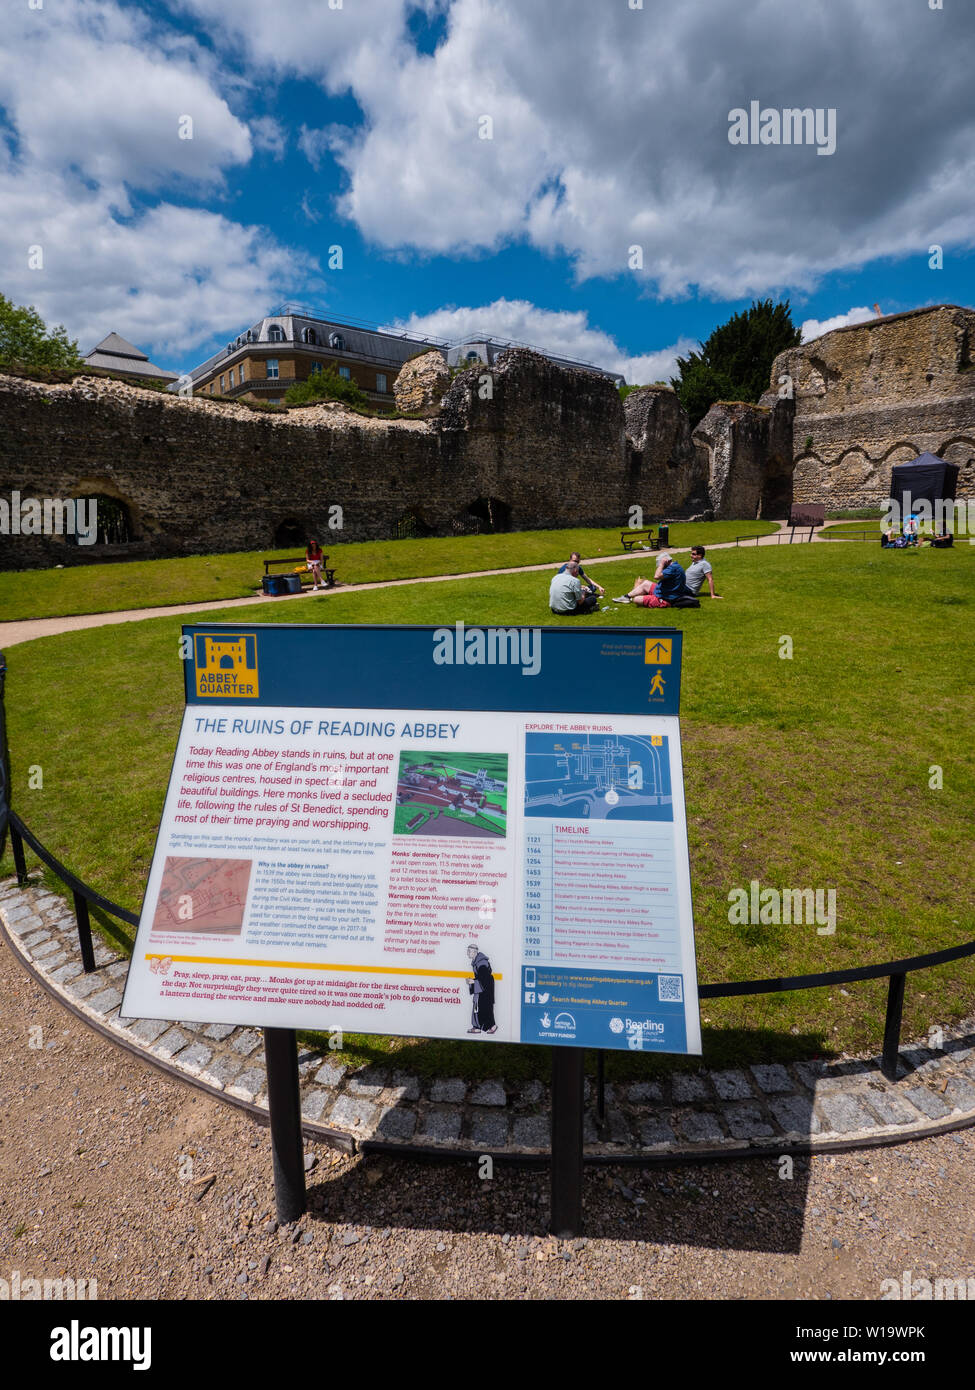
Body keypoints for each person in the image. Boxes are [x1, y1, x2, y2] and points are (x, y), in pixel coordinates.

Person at [613, 553, 688, 607]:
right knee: (645, 583)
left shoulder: (672, 569)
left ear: (666, 561)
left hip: (667, 598)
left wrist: (661, 564)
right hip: (665, 591)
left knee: (636, 599)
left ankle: (644, 596)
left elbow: (656, 576)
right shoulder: (675, 566)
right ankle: (626, 597)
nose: (660, 566)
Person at [467, 944, 496, 1033]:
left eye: (469, 951)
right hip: (482, 988)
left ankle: (490, 1026)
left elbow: (485, 979)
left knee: (484, 1007)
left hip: (485, 990)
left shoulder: (481, 963)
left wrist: (473, 982)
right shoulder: (477, 961)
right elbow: (481, 978)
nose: (467, 953)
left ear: (475, 952)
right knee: (478, 1006)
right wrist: (474, 981)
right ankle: (477, 1026)